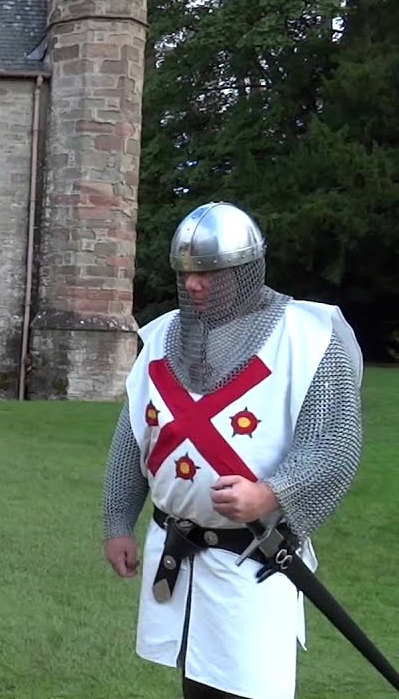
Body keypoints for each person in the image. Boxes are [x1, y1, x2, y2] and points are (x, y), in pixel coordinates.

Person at [101, 201, 365, 699]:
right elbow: (134, 437)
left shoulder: (307, 337)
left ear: (246, 270)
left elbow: (334, 444)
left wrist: (271, 493)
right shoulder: (159, 339)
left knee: (250, 688)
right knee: (197, 687)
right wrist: (118, 522)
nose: (195, 284)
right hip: (178, 553)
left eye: (211, 273)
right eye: (187, 273)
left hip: (254, 560)